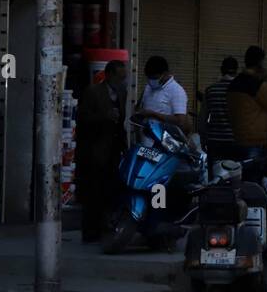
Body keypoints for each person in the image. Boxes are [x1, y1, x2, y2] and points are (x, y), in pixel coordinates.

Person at [76, 60, 129, 242]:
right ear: (108, 75)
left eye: (124, 78)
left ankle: (106, 227)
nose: (122, 81)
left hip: (113, 150)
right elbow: (83, 119)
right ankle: (91, 232)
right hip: (95, 150)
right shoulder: (93, 92)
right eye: (119, 77)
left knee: (110, 191)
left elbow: (120, 122)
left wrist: (124, 147)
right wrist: (104, 118)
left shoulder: (122, 93)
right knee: (93, 193)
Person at [227, 45, 267, 161]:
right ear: (260, 63)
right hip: (254, 142)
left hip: (237, 139)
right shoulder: (257, 84)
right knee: (254, 177)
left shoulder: (234, 83)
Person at [137, 55, 193, 135]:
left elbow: (181, 121)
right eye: (149, 78)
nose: (152, 81)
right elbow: (140, 108)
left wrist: (154, 114)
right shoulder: (148, 87)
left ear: (165, 74)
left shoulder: (176, 90)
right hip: (146, 140)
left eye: (155, 78)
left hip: (165, 142)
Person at [200, 56, 239, 162]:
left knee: (215, 176)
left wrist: (203, 139)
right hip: (236, 142)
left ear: (221, 70)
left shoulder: (210, 90)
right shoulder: (242, 92)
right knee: (235, 174)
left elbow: (203, 118)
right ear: (236, 71)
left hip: (215, 142)